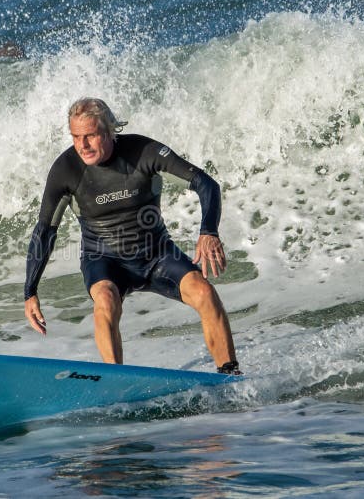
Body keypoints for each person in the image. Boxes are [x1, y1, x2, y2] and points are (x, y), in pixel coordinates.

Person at [23, 98, 240, 374]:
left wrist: (208, 231)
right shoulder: (66, 169)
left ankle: (229, 374)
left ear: (109, 130)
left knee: (204, 291)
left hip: (156, 254)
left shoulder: (143, 152)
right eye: (76, 137)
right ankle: (117, 381)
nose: (82, 145)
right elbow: (45, 230)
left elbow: (205, 183)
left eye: (90, 135)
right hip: (103, 259)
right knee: (105, 299)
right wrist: (30, 291)